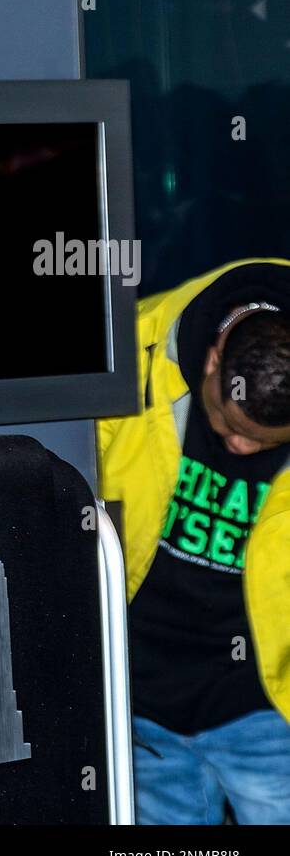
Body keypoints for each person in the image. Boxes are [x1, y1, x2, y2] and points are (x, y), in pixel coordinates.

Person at [97, 257, 290, 823]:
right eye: (230, 425)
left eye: (265, 441)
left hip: (268, 707)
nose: (241, 448)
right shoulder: (125, 353)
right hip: (141, 702)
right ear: (212, 359)